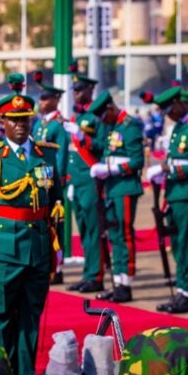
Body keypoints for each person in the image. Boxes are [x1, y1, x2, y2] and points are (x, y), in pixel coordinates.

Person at [0, 91, 63, 375]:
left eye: (25, 119)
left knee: (31, 312)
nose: (21, 125)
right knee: (4, 313)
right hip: (4, 246)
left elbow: (57, 202)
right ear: (3, 122)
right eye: (14, 120)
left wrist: (60, 246)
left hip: (38, 244)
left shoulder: (44, 153)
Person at [145, 87, 188, 314]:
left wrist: (166, 168)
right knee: (176, 244)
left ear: (176, 105)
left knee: (186, 244)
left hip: (187, 193)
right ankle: (182, 289)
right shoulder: (181, 127)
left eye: (168, 111)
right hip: (174, 193)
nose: (167, 116)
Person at [89, 90, 145, 302]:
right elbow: (107, 151)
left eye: (104, 116)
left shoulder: (129, 126)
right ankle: (118, 280)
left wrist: (111, 169)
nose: (103, 121)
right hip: (112, 188)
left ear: (111, 108)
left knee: (124, 233)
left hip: (125, 187)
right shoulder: (112, 127)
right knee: (114, 234)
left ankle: (126, 281)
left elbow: (137, 160)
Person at [63, 98, 108, 293]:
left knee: (93, 230)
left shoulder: (95, 118)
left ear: (90, 91)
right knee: (83, 230)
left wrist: (82, 136)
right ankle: (88, 273)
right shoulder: (76, 116)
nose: (78, 93)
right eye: (76, 90)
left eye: (81, 90)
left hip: (90, 180)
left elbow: (102, 145)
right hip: (77, 181)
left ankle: (96, 275)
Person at [31, 75, 71, 286]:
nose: (42, 102)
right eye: (41, 98)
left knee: (57, 225)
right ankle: (46, 264)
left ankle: (59, 267)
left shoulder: (58, 125)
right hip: (39, 183)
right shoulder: (39, 125)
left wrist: (60, 183)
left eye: (46, 99)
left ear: (55, 100)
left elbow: (62, 156)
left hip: (53, 183)